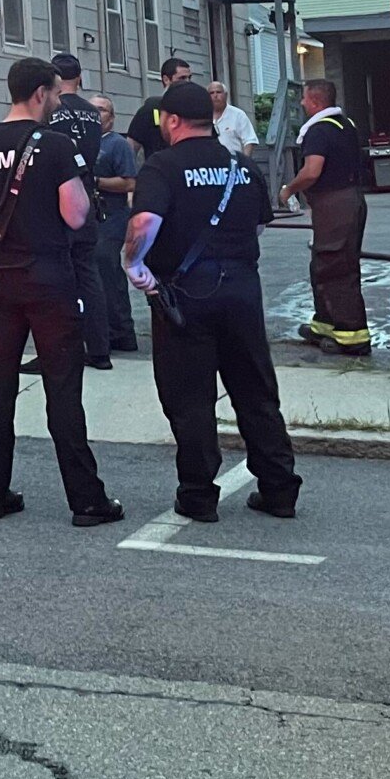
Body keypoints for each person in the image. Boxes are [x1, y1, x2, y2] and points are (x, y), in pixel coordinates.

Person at [0, 56, 123, 527]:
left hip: (1, 282)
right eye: (52, 93)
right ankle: (86, 500)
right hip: (49, 275)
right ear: (39, 94)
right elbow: (75, 215)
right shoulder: (56, 146)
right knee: (63, 388)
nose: (55, 101)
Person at [123, 81, 301, 519]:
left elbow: (145, 222)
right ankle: (279, 489)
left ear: (173, 120)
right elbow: (259, 224)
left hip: (184, 296)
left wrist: (133, 264)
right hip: (241, 289)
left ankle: (199, 495)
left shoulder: (162, 167)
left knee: (191, 399)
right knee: (256, 391)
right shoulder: (241, 165)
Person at [282, 78, 371, 356]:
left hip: (335, 206)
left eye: (305, 99)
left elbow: (311, 171)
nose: (302, 103)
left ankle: (351, 335)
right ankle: (325, 322)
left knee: (335, 267)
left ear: (316, 102)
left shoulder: (319, 131)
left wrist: (288, 190)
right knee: (324, 263)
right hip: (350, 201)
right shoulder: (346, 124)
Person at [44, 53, 115, 370]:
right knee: (88, 272)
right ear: (80, 78)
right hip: (87, 189)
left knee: (55, 272)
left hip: (57, 193)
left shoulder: (51, 110)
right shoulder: (92, 113)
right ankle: (100, 348)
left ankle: (59, 347)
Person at [89, 95, 141, 356]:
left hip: (112, 215)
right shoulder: (83, 142)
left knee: (105, 266)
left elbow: (129, 183)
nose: (97, 114)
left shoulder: (117, 144)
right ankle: (101, 330)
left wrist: (96, 181)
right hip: (87, 216)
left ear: (111, 117)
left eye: (102, 110)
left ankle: (122, 332)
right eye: (93, 110)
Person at [126, 57, 195, 157]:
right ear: (166, 80)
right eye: (182, 78)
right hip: (159, 169)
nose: (187, 82)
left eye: (189, 78)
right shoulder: (150, 108)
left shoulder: (195, 109)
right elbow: (130, 149)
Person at [207, 78, 260, 160]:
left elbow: (250, 141)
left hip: (233, 164)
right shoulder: (202, 116)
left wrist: (244, 163)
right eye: (211, 93)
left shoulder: (238, 115)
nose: (215, 96)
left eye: (218, 92)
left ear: (226, 95)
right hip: (210, 166)